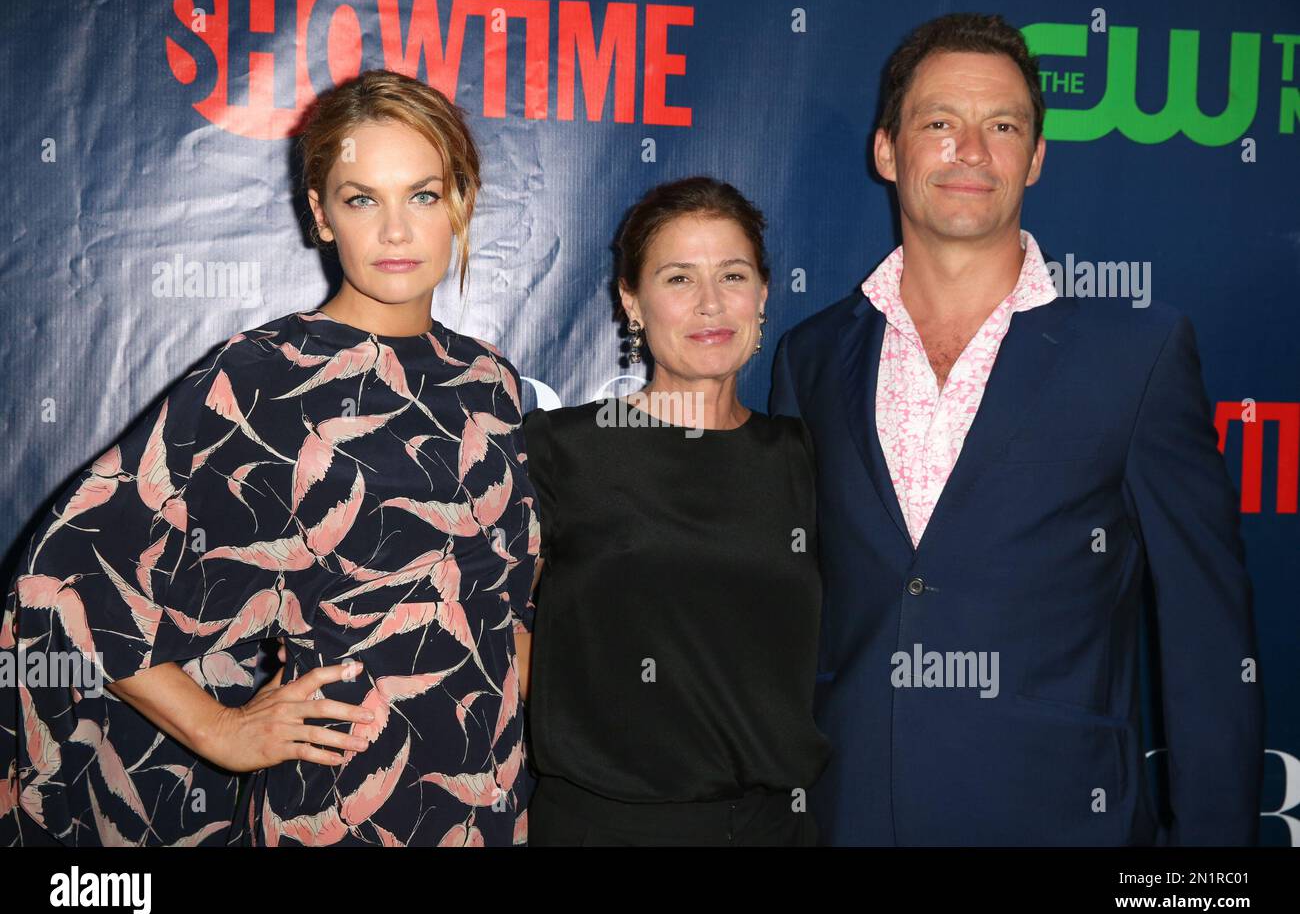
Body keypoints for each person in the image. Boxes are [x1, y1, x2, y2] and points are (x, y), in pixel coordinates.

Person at [0, 69, 536, 846]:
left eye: (422, 194)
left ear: (461, 200)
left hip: (489, 805)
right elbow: (66, 576)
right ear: (321, 216)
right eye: (361, 199)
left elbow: (510, 605)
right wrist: (221, 733)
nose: (395, 231)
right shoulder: (261, 374)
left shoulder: (489, 380)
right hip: (335, 806)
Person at [770, 13, 1265, 846]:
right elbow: (785, 609)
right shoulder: (812, 357)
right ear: (887, 151)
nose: (971, 151)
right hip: (843, 819)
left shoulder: (1136, 354)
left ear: (1034, 158)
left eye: (1002, 125)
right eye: (939, 123)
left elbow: (1208, 642)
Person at [519, 176, 831, 846]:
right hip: (607, 827)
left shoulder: (801, 456)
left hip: (778, 828)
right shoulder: (564, 450)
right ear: (632, 301)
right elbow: (473, 618)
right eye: (679, 279)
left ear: (764, 294)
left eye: (733, 275)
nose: (711, 303)